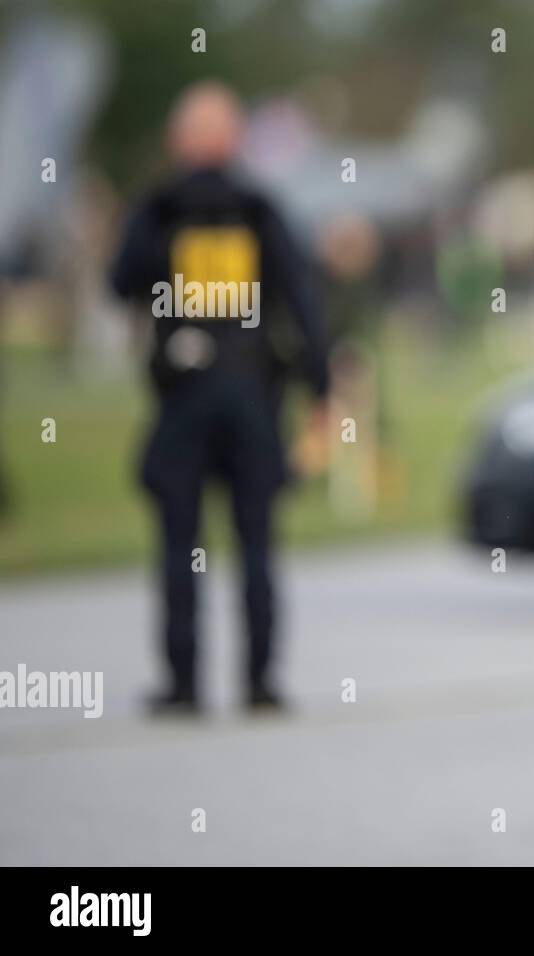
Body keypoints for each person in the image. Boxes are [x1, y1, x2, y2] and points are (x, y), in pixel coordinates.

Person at [108, 81, 330, 715]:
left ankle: (183, 684)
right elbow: (302, 298)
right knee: (256, 544)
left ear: (180, 141)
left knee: (179, 545)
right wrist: (318, 384)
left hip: (182, 400)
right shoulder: (261, 208)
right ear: (235, 141)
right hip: (252, 400)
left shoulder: (157, 209)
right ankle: (259, 682)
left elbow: (119, 283)